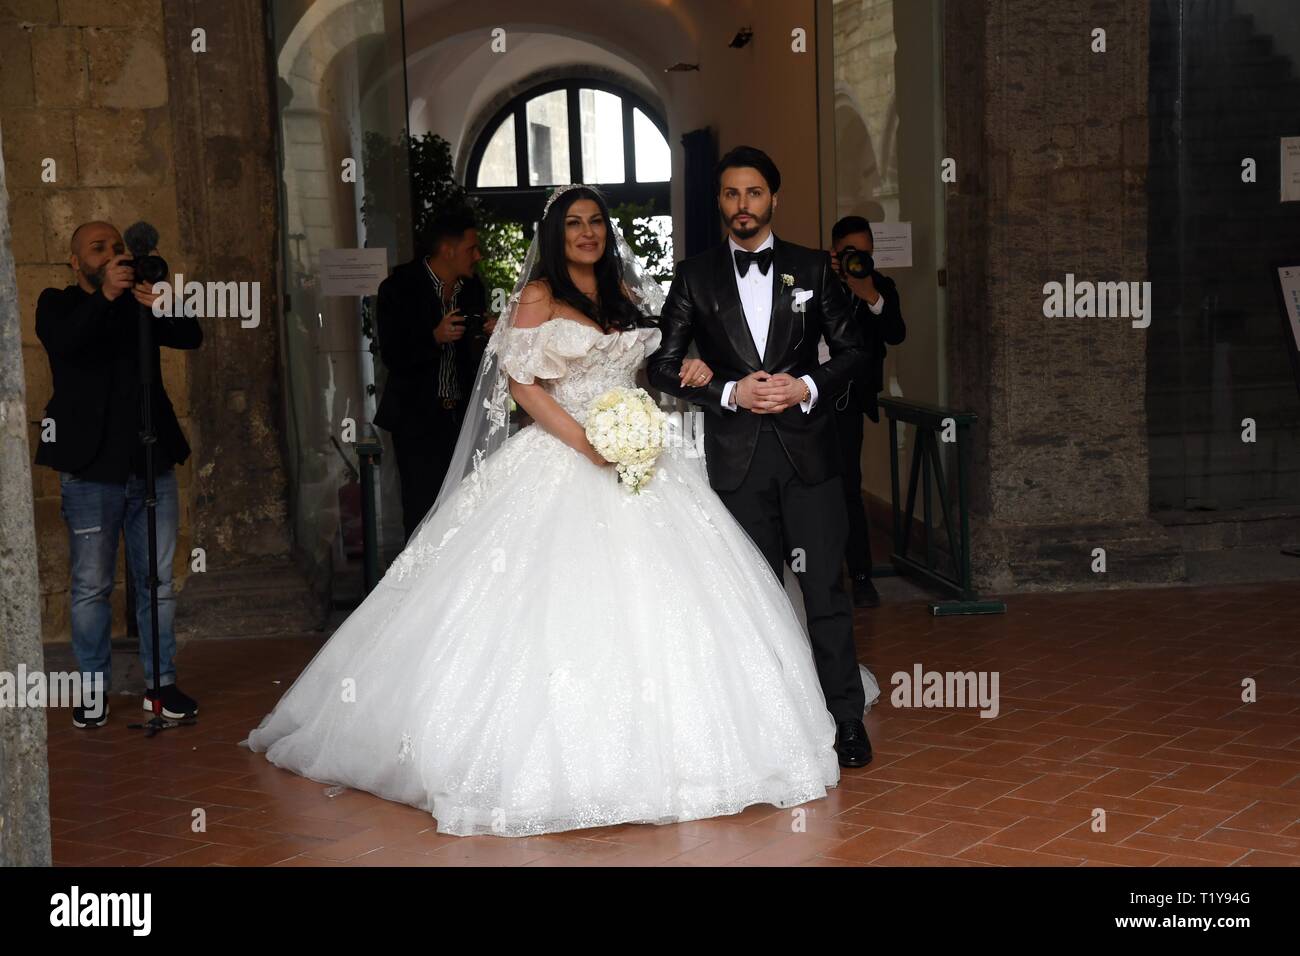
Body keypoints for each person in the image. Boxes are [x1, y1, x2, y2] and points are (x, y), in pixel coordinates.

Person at [245, 185, 860, 838]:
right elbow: (520, 385)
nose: (588, 232)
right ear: (555, 234)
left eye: (597, 222)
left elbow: (654, 363)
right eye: (575, 224)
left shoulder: (626, 296)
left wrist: (692, 370)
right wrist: (586, 442)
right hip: (566, 452)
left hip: (642, 459)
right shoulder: (537, 298)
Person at [647, 146, 875, 768]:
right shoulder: (694, 275)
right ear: (718, 202)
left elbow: (856, 350)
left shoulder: (813, 268)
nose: (741, 206)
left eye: (752, 193)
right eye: (729, 194)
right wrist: (726, 389)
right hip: (736, 460)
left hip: (810, 456)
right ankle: (769, 726)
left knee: (825, 589)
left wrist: (806, 386)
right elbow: (659, 365)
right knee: (751, 598)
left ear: (773, 199)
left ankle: (845, 719)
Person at [34, 220, 202, 727]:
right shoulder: (57, 303)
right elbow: (68, 343)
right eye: (99, 248)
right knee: (91, 585)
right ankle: (91, 689)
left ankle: (161, 685)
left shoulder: (137, 304)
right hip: (88, 469)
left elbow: (191, 336)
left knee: (159, 582)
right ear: (75, 260)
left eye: (117, 247)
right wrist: (107, 296)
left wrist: (163, 302)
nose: (112, 254)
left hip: (149, 460)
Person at [373, 208, 495, 541]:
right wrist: (434, 338)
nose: (478, 256)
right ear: (448, 249)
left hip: (461, 417)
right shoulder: (398, 288)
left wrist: (486, 333)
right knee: (421, 508)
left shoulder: (472, 291)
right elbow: (393, 356)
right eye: (472, 248)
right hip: (416, 421)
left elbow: (474, 357)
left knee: (465, 505)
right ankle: (419, 585)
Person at [825, 215, 906, 608]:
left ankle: (860, 575)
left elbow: (896, 333)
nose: (859, 259)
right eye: (850, 253)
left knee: (848, 487)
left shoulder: (881, 287)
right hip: (809, 397)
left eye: (865, 253)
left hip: (851, 402)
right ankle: (809, 571)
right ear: (836, 252)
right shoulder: (818, 279)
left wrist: (868, 293)